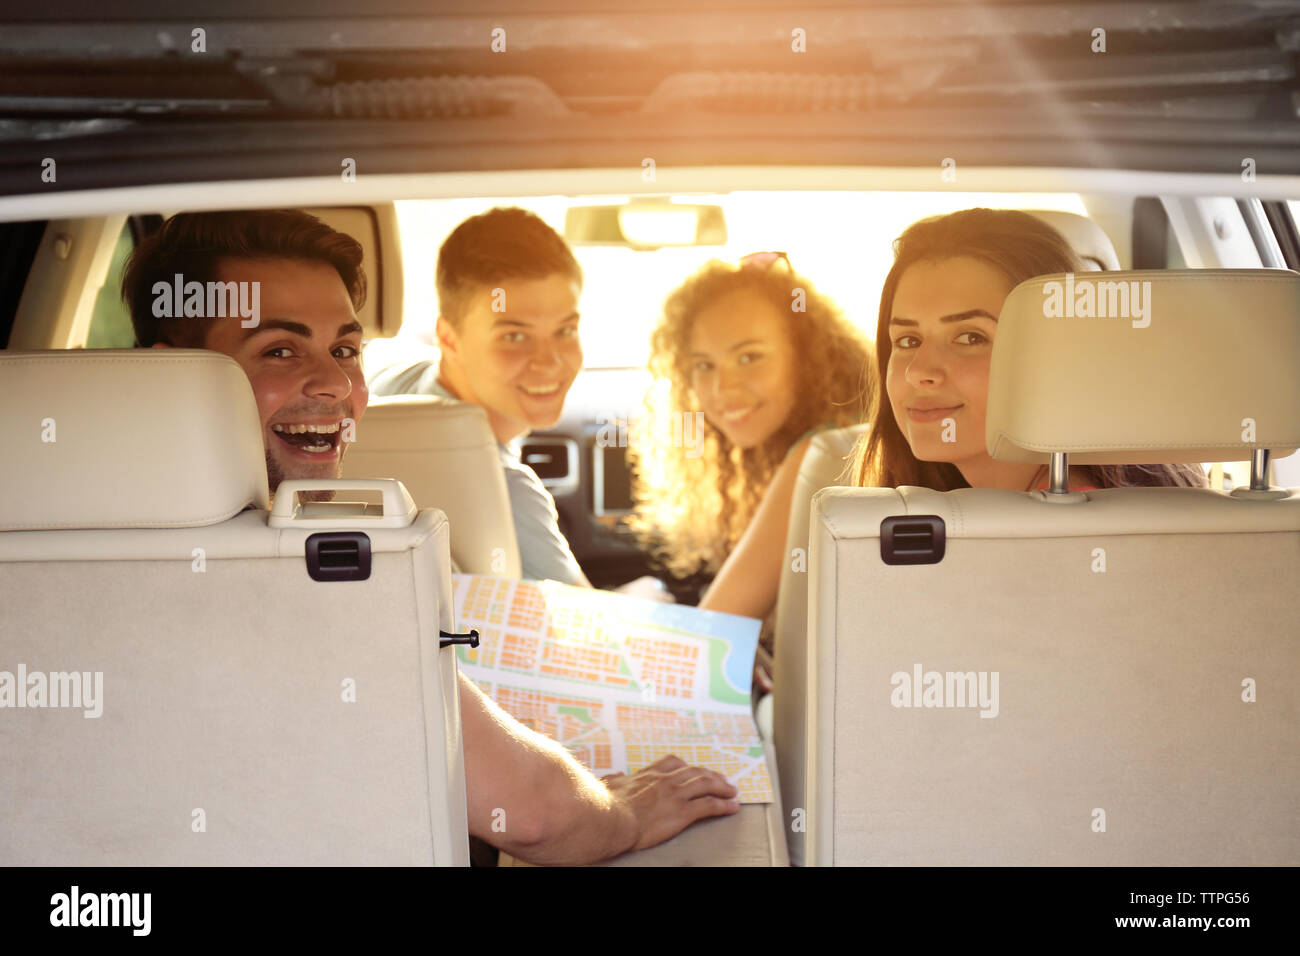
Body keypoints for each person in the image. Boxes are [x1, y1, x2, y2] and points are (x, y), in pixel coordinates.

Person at [122, 209, 739, 866]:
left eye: (344, 350)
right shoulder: (324, 572)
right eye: (280, 350)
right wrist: (618, 811)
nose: (336, 384)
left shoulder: (60, 549)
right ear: (177, 377)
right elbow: (536, 818)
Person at [700, 209, 1206, 668]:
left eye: (970, 338)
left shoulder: (1081, 539)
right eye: (907, 340)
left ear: (1060, 353)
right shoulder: (951, 509)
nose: (921, 370)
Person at [628, 254, 871, 683]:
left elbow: (705, 644)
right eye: (704, 366)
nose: (724, 390)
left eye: (749, 357)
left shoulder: (821, 457)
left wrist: (642, 604)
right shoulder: (822, 441)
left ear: (806, 356)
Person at [368, 207, 590, 586]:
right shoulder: (506, 493)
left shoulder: (388, 383)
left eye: (565, 330)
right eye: (514, 336)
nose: (550, 362)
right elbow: (588, 636)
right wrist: (648, 594)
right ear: (449, 339)